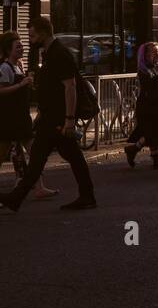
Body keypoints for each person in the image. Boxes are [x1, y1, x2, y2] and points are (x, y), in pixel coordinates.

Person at [0, 16, 96, 212]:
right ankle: (17, 198)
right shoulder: (50, 53)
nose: (31, 40)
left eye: (33, 35)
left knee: (46, 158)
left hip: (57, 119)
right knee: (49, 158)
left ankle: (17, 198)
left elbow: (70, 87)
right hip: (51, 118)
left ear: (43, 33)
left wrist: (69, 120)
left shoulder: (59, 54)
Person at [0, 31, 57, 200]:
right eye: (17, 46)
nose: (21, 48)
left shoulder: (18, 65)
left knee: (35, 152)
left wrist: (27, 83)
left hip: (21, 117)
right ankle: (37, 186)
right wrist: (22, 84)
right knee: (2, 155)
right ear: (8, 49)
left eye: (22, 45)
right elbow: (1, 90)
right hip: (9, 119)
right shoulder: (5, 67)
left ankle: (39, 186)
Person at [125, 42, 158, 169]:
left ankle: (135, 150)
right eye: (154, 51)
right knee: (151, 131)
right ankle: (154, 158)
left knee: (154, 132)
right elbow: (151, 88)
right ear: (146, 54)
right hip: (149, 105)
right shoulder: (143, 70)